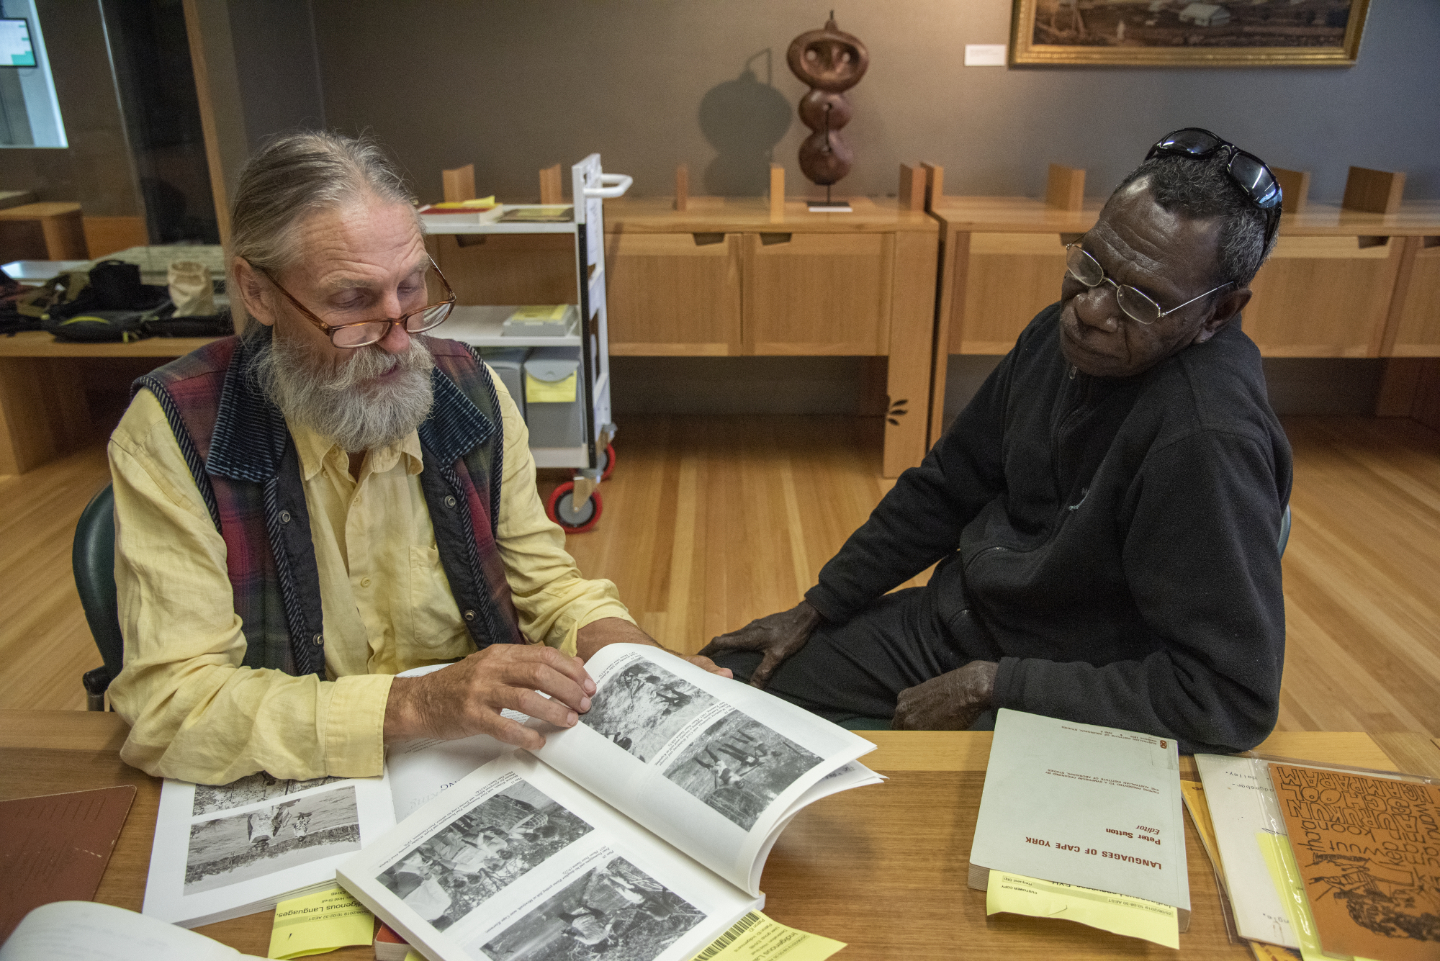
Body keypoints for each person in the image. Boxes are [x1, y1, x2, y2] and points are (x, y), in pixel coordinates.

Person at [107, 131, 724, 785]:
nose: (400, 341)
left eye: (411, 288)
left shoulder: (470, 389)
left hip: (473, 767)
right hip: (304, 779)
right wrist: (419, 704)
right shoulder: (175, 432)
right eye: (351, 304)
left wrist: (640, 662)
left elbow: (548, 588)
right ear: (256, 292)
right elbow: (173, 706)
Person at [702, 128, 1293, 754]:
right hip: (963, 624)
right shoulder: (1062, 335)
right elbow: (947, 485)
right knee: (719, 681)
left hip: (1067, 682)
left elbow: (1231, 699)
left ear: (1219, 314)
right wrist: (819, 605)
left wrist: (998, 686)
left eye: (1141, 300)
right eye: (1089, 263)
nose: (1091, 309)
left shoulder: (1206, 441)